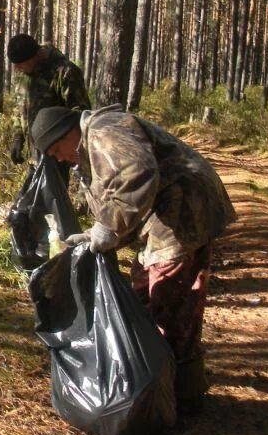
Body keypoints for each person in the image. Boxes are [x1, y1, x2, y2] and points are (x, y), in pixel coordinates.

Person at [29, 105, 236, 412]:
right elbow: (118, 196)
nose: (60, 157)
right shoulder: (91, 143)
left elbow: (137, 176)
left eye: (58, 149)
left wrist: (108, 227)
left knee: (169, 300)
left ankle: (180, 397)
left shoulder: (102, 133)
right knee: (143, 298)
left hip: (183, 214)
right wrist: (94, 234)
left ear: (68, 132)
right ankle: (157, 390)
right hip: (166, 217)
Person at [6, 33, 90, 165]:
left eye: (20, 64)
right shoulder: (23, 76)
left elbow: (81, 113)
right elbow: (19, 108)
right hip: (34, 153)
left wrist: (63, 146)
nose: (17, 69)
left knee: (52, 186)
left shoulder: (64, 72)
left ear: (34, 57)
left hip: (59, 153)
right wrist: (18, 138)